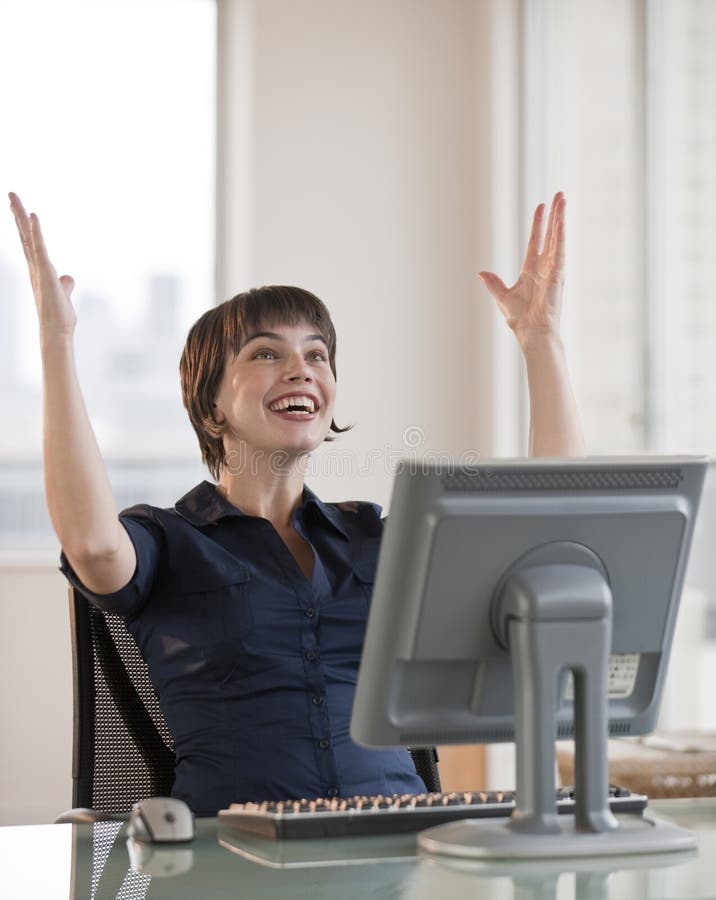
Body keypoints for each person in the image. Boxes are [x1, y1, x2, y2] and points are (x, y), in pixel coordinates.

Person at [9, 191, 584, 816]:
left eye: (317, 354)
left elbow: (545, 550)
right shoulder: (167, 541)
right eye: (265, 354)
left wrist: (540, 341)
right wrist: (56, 342)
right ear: (211, 406)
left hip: (397, 850)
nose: (301, 368)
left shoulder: (376, 537)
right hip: (234, 861)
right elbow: (91, 545)